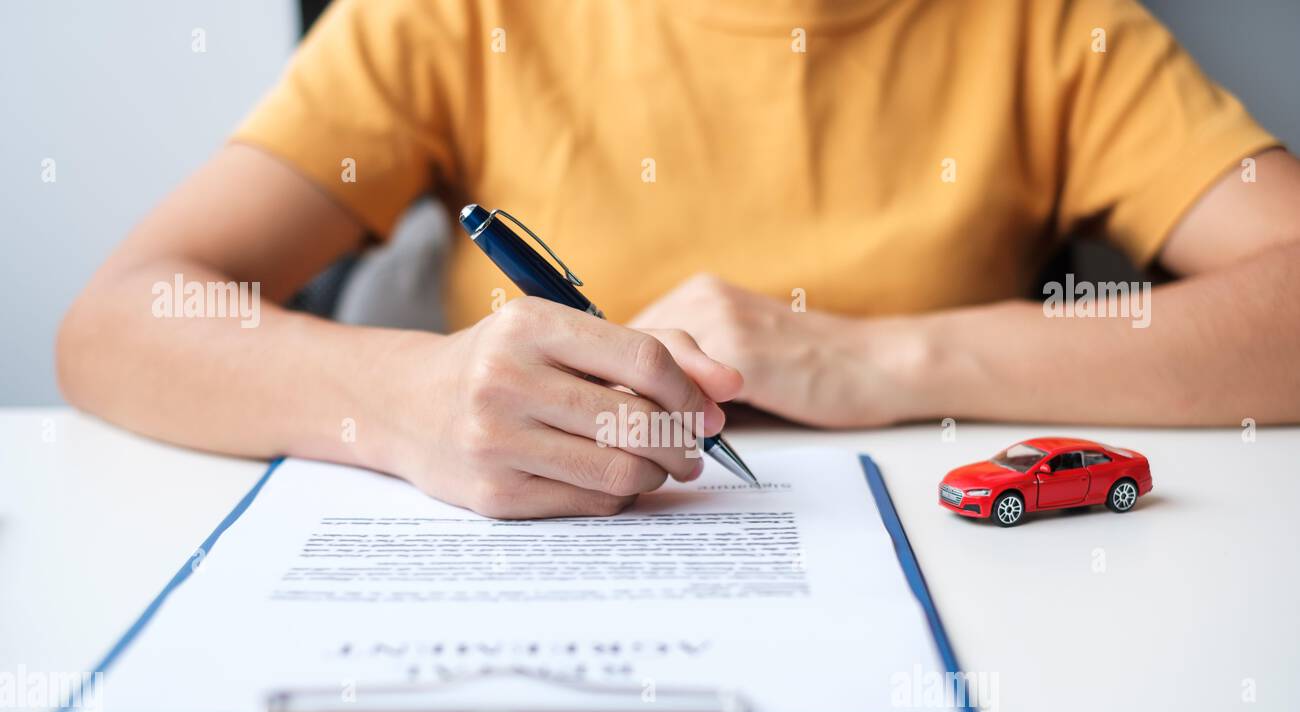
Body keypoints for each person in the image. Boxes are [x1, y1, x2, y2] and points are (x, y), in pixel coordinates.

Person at [57, 0, 1300, 518]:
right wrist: (405, 400)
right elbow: (117, 318)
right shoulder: (452, 18)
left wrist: (884, 355)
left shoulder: (1046, 25)